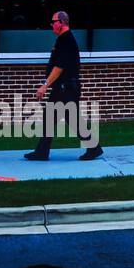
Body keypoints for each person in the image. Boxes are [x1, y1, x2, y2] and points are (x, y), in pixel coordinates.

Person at [24, 11, 103, 161]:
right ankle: (42, 151)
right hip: (62, 87)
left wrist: (45, 85)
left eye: (53, 22)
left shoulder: (66, 40)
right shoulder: (62, 40)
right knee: (50, 118)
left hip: (65, 87)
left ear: (61, 22)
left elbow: (59, 67)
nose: (51, 25)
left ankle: (94, 148)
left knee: (71, 118)